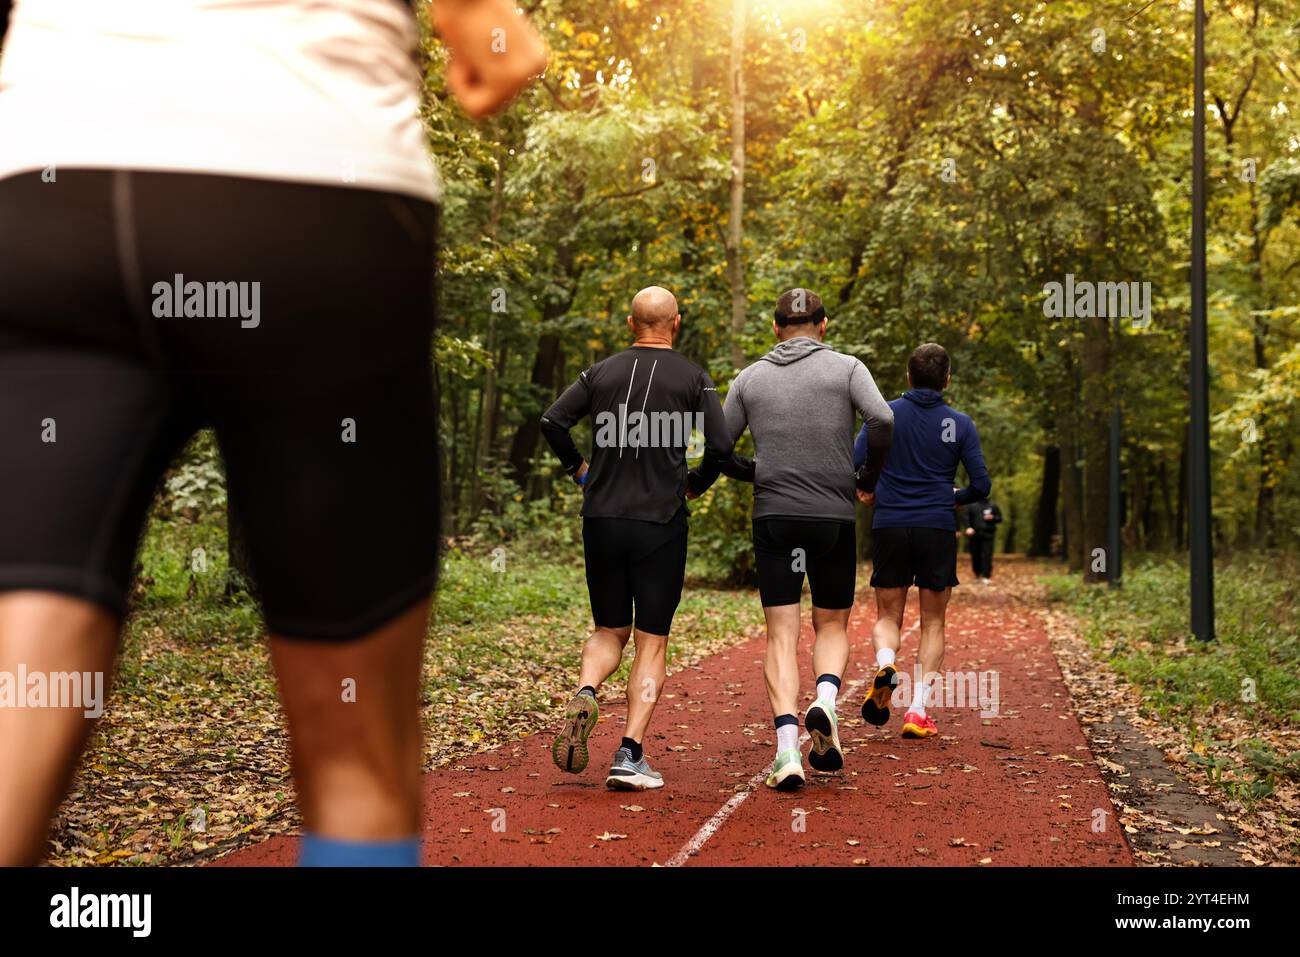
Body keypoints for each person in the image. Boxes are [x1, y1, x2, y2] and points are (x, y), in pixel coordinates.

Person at [0, 0, 546, 867]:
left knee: (22, 671)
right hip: (318, 186)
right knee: (357, 758)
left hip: (55, 179)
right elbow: (502, 49)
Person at [693, 289, 893, 790]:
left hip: (775, 518)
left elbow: (718, 446)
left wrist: (755, 472)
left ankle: (786, 753)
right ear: (823, 325)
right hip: (832, 517)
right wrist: (866, 478)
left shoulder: (749, 378)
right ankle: (825, 700)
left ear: (775, 327)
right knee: (831, 623)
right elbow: (883, 419)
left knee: (781, 633)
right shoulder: (848, 368)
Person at [540, 286, 733, 791]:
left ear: (631, 324)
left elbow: (553, 420)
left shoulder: (600, 372)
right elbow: (723, 444)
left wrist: (579, 470)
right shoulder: (693, 379)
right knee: (651, 640)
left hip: (601, 517)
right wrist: (695, 483)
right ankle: (629, 754)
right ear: (676, 322)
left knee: (608, 630)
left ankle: (586, 690)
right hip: (659, 523)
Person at [854, 343, 989, 740]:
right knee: (933, 621)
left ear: (908, 375)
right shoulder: (959, 423)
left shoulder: (884, 415)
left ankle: (885, 663)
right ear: (947, 379)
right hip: (936, 526)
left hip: (891, 523)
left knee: (886, 617)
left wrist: (868, 488)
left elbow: (855, 463)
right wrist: (952, 496)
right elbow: (981, 485)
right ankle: (917, 710)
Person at [963, 497, 1003, 583]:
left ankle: (986, 576)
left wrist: (993, 518)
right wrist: (968, 527)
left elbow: (1000, 518)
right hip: (974, 534)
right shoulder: (971, 505)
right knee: (975, 555)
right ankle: (977, 574)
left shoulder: (993, 505)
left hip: (988, 534)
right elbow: (966, 517)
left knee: (987, 555)